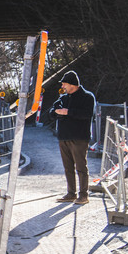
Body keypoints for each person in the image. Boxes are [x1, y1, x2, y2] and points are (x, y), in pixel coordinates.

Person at [50, 70, 96, 205]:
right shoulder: (63, 98)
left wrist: (68, 112)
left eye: (64, 84)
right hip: (63, 137)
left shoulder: (87, 97)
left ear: (72, 84)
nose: (63, 86)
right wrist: (58, 113)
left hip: (79, 137)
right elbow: (52, 112)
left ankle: (83, 195)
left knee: (81, 167)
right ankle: (71, 193)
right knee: (67, 167)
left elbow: (87, 114)